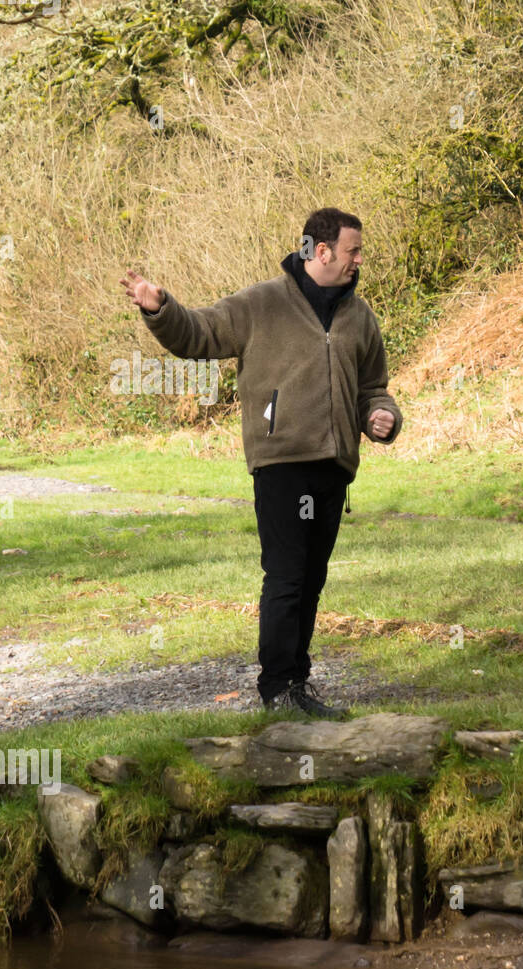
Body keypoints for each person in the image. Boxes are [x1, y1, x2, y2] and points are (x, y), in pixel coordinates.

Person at [120, 208, 403, 716]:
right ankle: (277, 688)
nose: (360, 260)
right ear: (321, 252)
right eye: (353, 251)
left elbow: (372, 388)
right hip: (282, 463)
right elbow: (199, 333)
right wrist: (160, 308)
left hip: (333, 465)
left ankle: (297, 684)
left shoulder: (360, 316)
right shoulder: (262, 303)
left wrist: (381, 416)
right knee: (287, 574)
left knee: (312, 576)